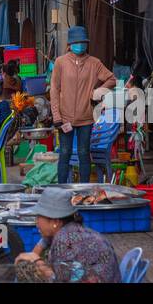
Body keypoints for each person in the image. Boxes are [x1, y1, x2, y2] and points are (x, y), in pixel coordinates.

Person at [51, 25, 117, 185]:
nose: (80, 45)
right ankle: (61, 189)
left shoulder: (94, 63)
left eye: (83, 42)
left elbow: (112, 79)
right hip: (65, 118)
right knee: (65, 153)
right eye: (77, 42)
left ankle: (84, 189)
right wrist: (56, 116)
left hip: (86, 117)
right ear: (70, 44)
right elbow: (54, 89)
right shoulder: (60, 62)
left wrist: (96, 92)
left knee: (83, 153)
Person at [13, 188, 121, 282]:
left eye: (39, 217)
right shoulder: (71, 229)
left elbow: (59, 279)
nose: (36, 222)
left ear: (55, 222)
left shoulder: (65, 242)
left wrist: (36, 261)